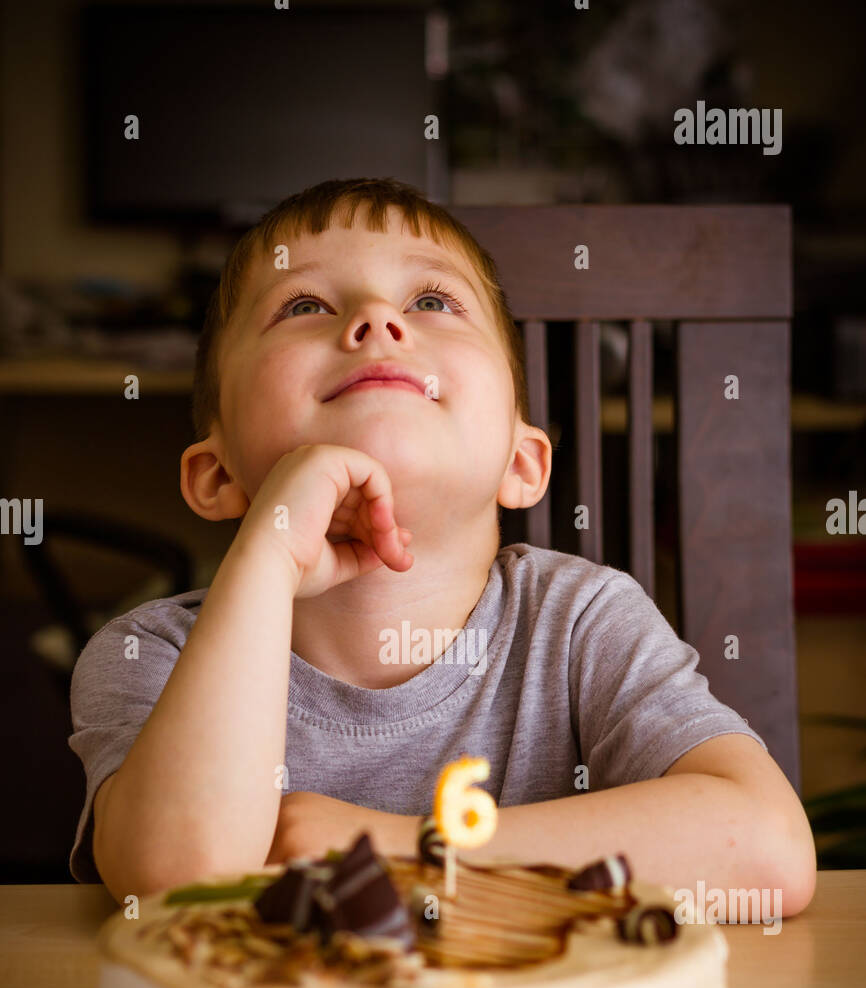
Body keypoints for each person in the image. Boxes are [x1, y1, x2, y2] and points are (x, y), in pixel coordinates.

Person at [68, 176, 816, 917]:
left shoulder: (582, 621)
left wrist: (406, 850)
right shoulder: (149, 654)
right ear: (216, 475)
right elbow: (173, 879)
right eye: (305, 305)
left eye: (431, 301)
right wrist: (267, 555)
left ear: (522, 463)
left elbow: (767, 850)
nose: (377, 321)